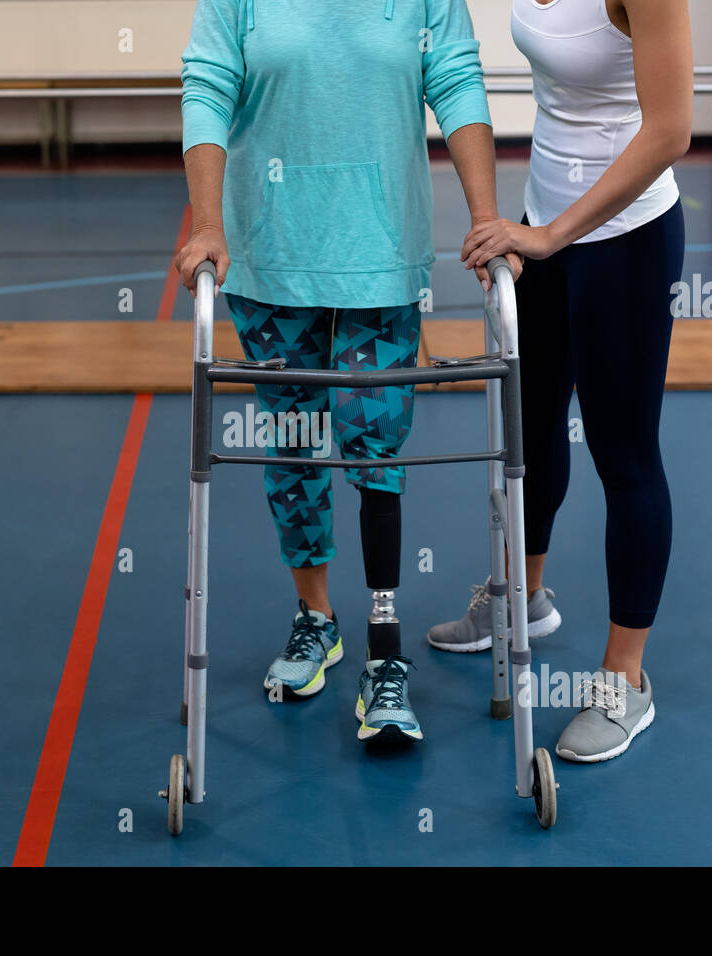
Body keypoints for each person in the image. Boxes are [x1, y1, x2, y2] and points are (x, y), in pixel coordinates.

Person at [177, 0, 519, 744]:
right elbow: (207, 85)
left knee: (374, 451)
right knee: (295, 447)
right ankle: (316, 619)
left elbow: (456, 80)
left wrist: (486, 217)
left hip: (381, 259)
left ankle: (385, 651)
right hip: (271, 257)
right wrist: (207, 222)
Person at [430, 0, 693, 763]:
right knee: (533, 426)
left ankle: (625, 679)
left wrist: (551, 234)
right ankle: (524, 596)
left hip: (623, 237)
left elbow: (671, 129)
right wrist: (534, 227)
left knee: (625, 454)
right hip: (545, 222)